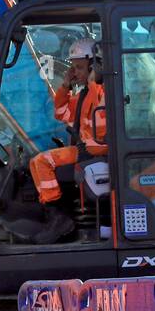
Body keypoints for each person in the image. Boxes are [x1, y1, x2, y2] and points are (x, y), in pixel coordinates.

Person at [27, 37, 106, 243]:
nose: (75, 72)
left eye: (79, 67)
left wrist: (92, 78)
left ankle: (58, 217)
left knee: (43, 161)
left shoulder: (102, 92)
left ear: (94, 66)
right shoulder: (84, 96)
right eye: (74, 67)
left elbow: (101, 119)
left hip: (95, 152)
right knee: (37, 162)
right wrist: (65, 86)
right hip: (85, 150)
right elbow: (61, 113)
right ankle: (56, 215)